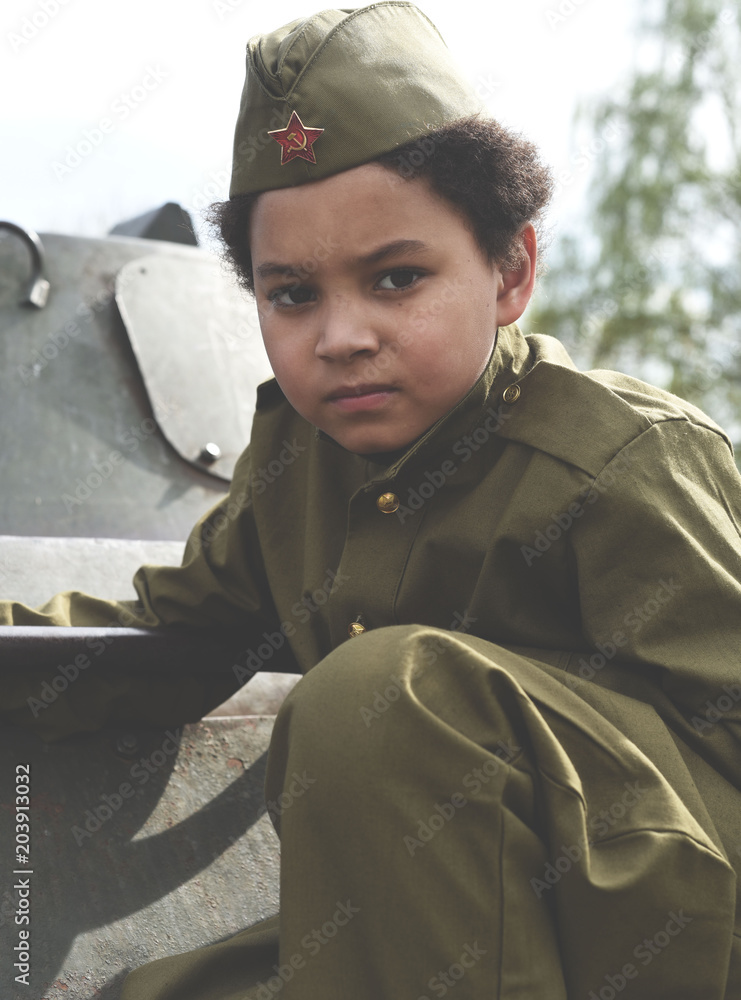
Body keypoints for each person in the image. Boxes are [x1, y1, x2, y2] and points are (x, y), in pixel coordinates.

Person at [2, 3, 740, 997]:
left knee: (378, 696)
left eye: (396, 278)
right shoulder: (296, 475)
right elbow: (167, 632)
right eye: (292, 295)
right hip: (432, 915)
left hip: (651, 930)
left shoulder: (621, 461)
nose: (341, 335)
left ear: (511, 269)